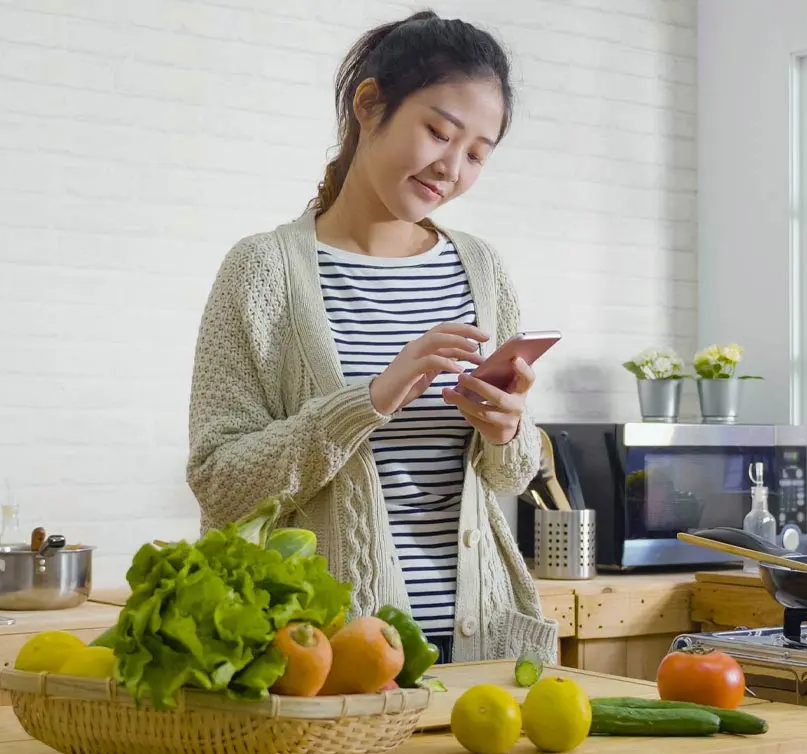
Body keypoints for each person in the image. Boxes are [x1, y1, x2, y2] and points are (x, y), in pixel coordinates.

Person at [186, 10, 558, 664]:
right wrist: (370, 400)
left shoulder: (481, 268)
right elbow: (220, 481)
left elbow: (513, 472)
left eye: (476, 154)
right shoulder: (262, 270)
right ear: (369, 104)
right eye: (438, 133)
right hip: (325, 656)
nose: (452, 168)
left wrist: (509, 430)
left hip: (482, 642)